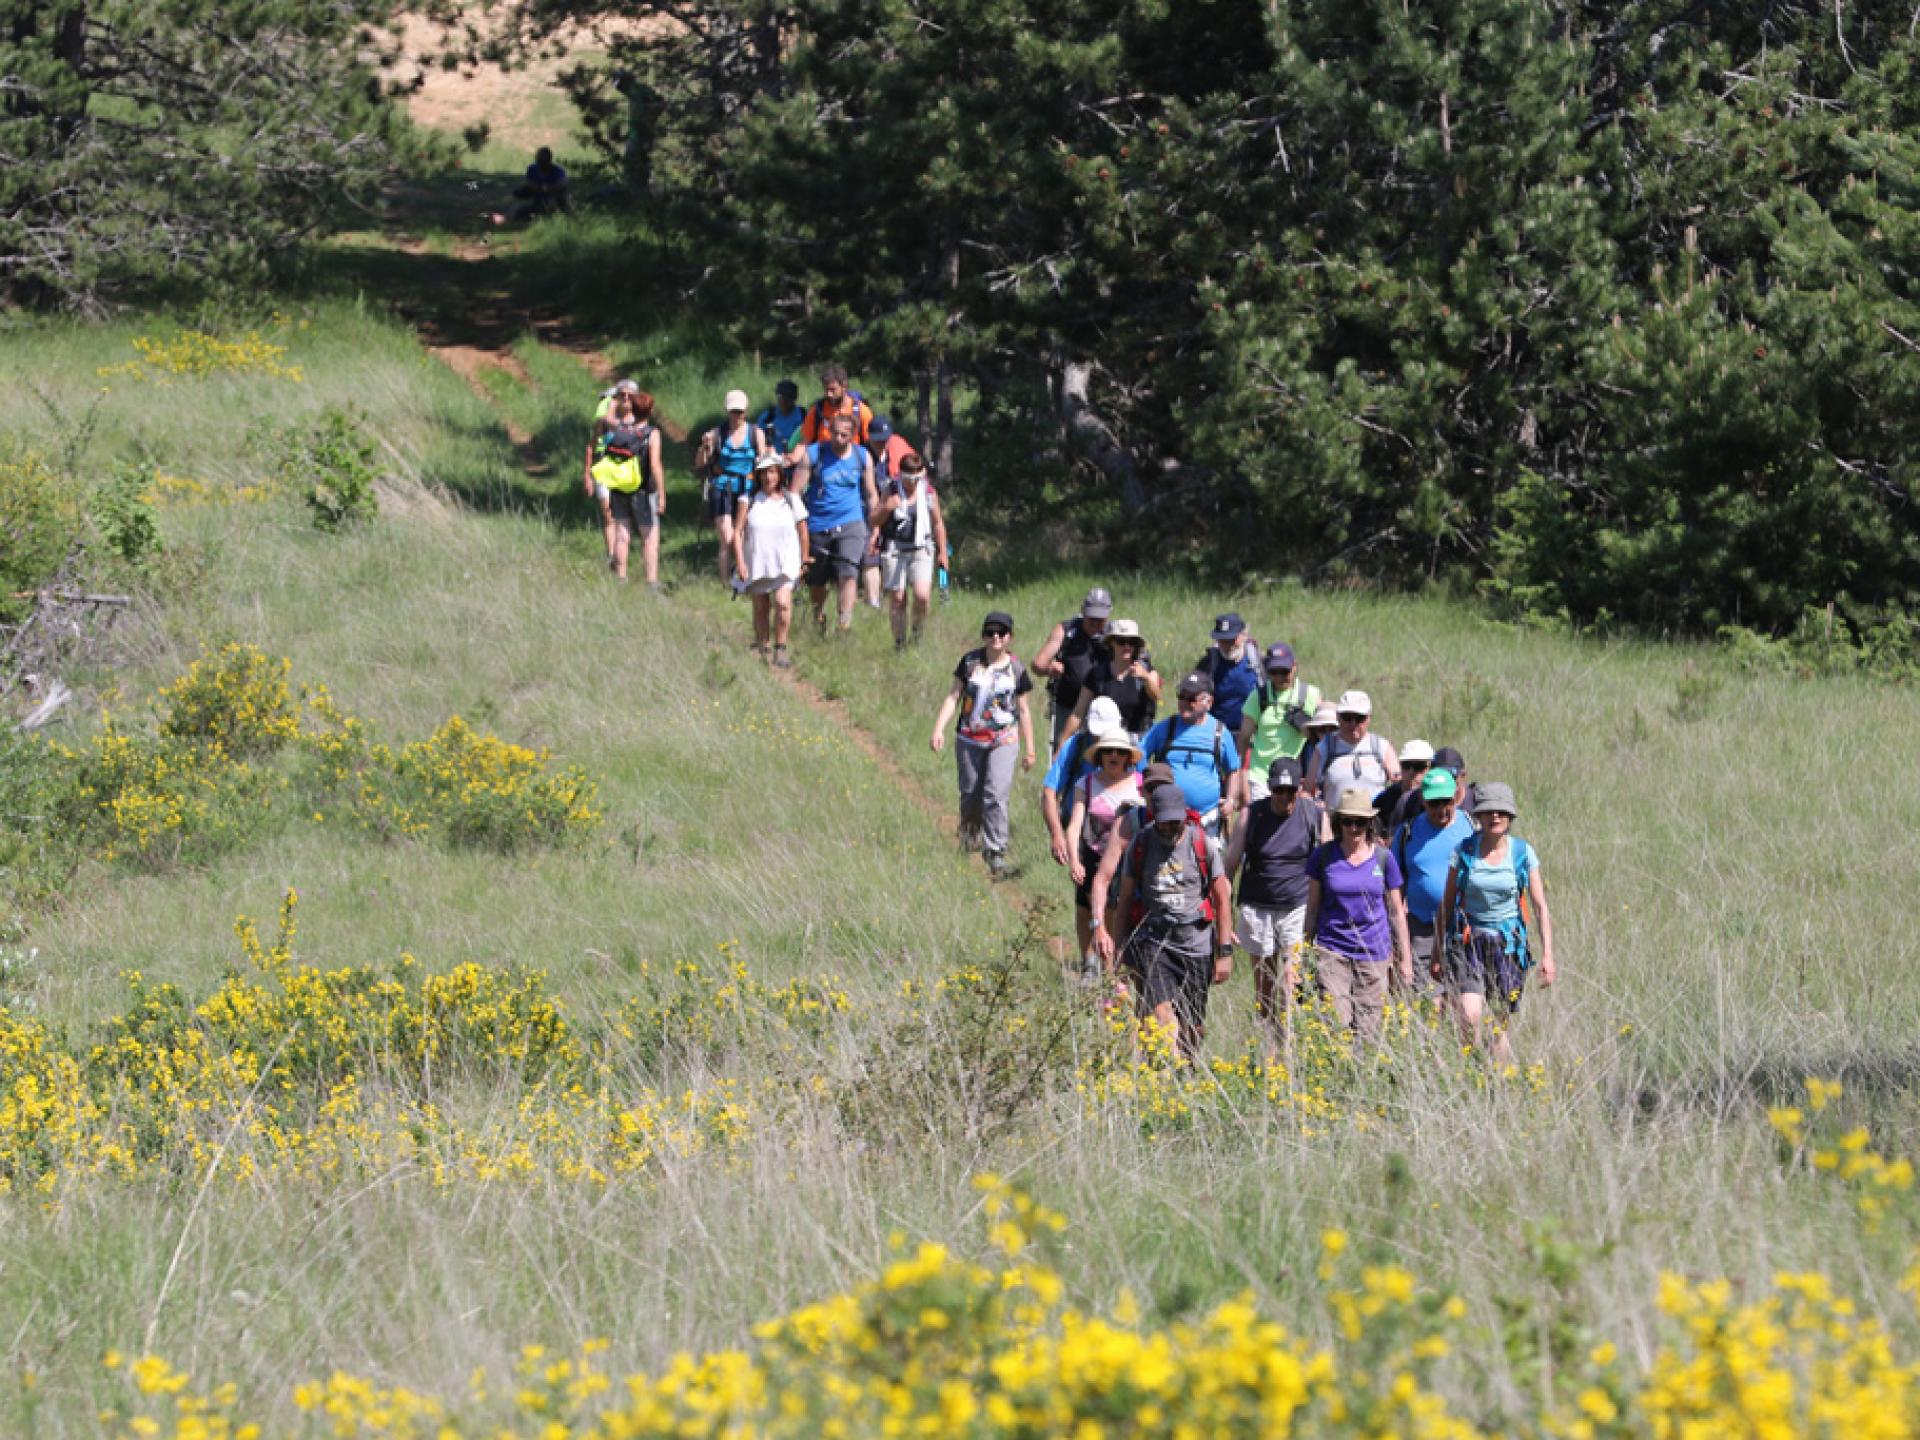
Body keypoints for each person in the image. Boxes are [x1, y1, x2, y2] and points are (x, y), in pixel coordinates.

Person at [1094, 784, 1236, 1059]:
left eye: (1176, 822)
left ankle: (1187, 1071)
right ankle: (1170, 1078)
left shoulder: (1201, 844)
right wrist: (1121, 945)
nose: (1170, 828)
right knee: (1163, 1015)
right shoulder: (1142, 844)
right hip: (1156, 943)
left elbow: (1222, 897)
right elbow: (1124, 899)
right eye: (1164, 823)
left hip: (1196, 944)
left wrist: (1225, 952)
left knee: (1192, 1024)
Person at [1433, 782, 1555, 1062]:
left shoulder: (1523, 854)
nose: (1495, 817)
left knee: (1499, 1027)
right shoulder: (1463, 851)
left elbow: (1539, 906)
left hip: (1508, 945)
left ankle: (1494, 1082)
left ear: (1510, 817)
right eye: (1488, 811)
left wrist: (1548, 956)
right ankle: (1472, 1065)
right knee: (1469, 1014)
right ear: (1478, 816)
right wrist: (1438, 951)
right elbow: (1447, 903)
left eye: (1501, 812)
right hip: (1468, 941)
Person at [1223, 756, 1327, 1048]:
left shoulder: (1313, 815)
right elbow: (1230, 866)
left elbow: (1327, 863)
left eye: (1289, 791)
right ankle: (1268, 1047)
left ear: (1299, 789)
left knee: (1289, 982)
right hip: (1258, 907)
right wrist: (1226, 916)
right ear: (1269, 789)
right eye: (1278, 791)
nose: (1283, 798)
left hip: (1297, 906)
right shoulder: (1251, 816)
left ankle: (1291, 1045)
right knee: (1264, 987)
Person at [929, 611, 1036, 878]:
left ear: (1010, 636)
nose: (996, 637)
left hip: (1004, 739)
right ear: (984, 635)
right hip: (969, 738)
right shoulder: (969, 662)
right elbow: (954, 696)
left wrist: (1030, 749)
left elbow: (1023, 711)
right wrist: (938, 728)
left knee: (996, 794)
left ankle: (995, 850)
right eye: (990, 632)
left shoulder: (1017, 669)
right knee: (971, 794)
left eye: (1001, 632)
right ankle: (969, 837)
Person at [1303, 788, 1413, 1043]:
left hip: (1374, 953)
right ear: (1338, 822)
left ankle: (1361, 1079)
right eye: (1348, 821)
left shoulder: (1384, 859)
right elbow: (1312, 908)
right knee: (1336, 1024)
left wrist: (1405, 959)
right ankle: (1337, 1076)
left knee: (1369, 1031)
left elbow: (1396, 912)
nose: (1354, 828)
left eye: (1360, 822)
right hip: (1332, 950)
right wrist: (1304, 952)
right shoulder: (1323, 857)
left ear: (1369, 823)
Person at [1063, 724, 1144, 967]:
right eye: (1108, 751)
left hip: (1128, 860)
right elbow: (1075, 825)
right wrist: (1074, 860)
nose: (1114, 756)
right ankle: (1091, 962)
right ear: (1100, 755)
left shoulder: (1140, 783)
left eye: (1120, 752)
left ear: (1129, 757)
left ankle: (1112, 972)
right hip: (1094, 856)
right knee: (1087, 910)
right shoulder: (1085, 784)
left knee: (1116, 915)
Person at [1389, 768, 1475, 992]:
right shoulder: (1407, 832)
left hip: (1462, 929)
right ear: (1423, 801)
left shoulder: (1471, 828)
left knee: (1464, 1003)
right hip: (1422, 930)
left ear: (1455, 796)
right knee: (1427, 1002)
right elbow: (1393, 884)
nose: (1441, 809)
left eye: (1446, 801)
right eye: (1434, 803)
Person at [792, 412, 877, 633]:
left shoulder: (862, 457)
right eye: (835, 434)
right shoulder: (813, 454)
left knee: (848, 573)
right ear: (828, 431)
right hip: (818, 524)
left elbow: (871, 494)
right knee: (817, 579)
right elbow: (795, 492)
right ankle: (818, 615)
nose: (838, 439)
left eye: (844, 435)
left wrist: (875, 525)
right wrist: (794, 527)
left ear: (853, 436)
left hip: (852, 522)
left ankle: (844, 623)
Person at [1138, 671, 1244, 843]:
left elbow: (1233, 770)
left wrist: (1231, 800)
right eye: (1181, 696)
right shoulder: (1165, 728)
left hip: (1207, 819)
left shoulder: (1220, 733)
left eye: (1191, 698)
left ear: (1209, 702)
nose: (1184, 703)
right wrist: (1146, 790)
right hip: (1167, 819)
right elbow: (1140, 754)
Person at [732, 451, 809, 667]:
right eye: (765, 473)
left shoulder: (791, 500)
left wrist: (804, 559)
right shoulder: (748, 500)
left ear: (780, 474)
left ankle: (781, 648)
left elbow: (803, 530)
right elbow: (737, 532)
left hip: (785, 561)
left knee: (783, 603)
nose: (769, 477)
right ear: (758, 475)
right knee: (760, 607)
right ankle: (763, 646)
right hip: (757, 561)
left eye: (773, 472)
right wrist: (740, 561)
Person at [868, 451, 948, 649]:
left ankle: (917, 630)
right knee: (898, 598)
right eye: (909, 478)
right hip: (895, 549)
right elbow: (874, 520)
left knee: (922, 595)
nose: (913, 482)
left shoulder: (928, 493)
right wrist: (887, 508)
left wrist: (943, 552)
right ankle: (899, 642)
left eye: (918, 477)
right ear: (900, 475)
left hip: (921, 548)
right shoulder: (891, 489)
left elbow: (938, 523)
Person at [588, 391, 665, 586]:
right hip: (643, 492)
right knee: (649, 538)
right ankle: (651, 583)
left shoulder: (619, 431)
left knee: (622, 535)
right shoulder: (651, 434)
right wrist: (662, 494)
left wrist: (611, 402)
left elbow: (604, 419)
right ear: (650, 411)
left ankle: (620, 579)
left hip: (619, 489)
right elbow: (655, 465)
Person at [1041, 696, 1124, 874]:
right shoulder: (1075, 745)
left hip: (1118, 834)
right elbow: (1049, 792)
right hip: (1079, 832)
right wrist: (1056, 834)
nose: (1100, 738)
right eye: (1097, 733)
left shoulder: (1129, 749)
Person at [698, 389, 767, 586]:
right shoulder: (716, 434)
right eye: (733, 411)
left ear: (745, 411)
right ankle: (726, 582)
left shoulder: (756, 433)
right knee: (727, 537)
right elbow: (701, 463)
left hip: (747, 487)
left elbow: (761, 460)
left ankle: (743, 577)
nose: (736, 416)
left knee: (745, 534)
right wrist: (704, 447)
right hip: (722, 487)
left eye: (740, 411)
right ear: (727, 411)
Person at [1031, 588, 1113, 755]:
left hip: (1103, 710)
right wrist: (1049, 668)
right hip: (1068, 707)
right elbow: (1037, 664)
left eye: (1101, 619)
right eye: (1092, 618)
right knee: (1065, 757)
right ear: (1083, 611)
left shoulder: (1115, 635)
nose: (1096, 623)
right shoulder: (1066, 631)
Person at [1238, 642, 1321, 803]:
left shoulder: (1310, 695)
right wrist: (1241, 781)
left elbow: (1327, 734)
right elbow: (1243, 740)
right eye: (1274, 672)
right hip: (1260, 776)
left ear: (1295, 666)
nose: (1279, 677)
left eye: (1284, 671)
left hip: (1295, 778)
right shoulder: (1258, 697)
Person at [1056, 618, 1160, 741]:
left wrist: (1145, 678)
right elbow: (1078, 713)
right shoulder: (1097, 674)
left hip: (1138, 742)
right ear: (1112, 643)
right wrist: (1061, 748)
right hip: (1106, 743)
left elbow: (1156, 695)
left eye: (1131, 642)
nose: (1127, 646)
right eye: (1121, 641)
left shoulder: (1147, 671)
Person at [1304, 690, 1401, 808]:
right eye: (1347, 717)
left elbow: (1399, 782)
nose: (1353, 723)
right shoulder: (1324, 748)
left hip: (1374, 823)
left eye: (1359, 718)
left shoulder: (1381, 746)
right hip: (1335, 823)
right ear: (1338, 717)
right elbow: (1307, 792)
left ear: (1369, 718)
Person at [584, 378, 641, 567]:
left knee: (623, 516)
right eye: (620, 395)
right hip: (604, 468)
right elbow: (591, 446)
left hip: (627, 472)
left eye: (628, 396)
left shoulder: (640, 422)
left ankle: (620, 554)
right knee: (609, 515)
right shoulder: (604, 421)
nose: (624, 399)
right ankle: (613, 557)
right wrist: (587, 475)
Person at [1193, 613, 1261, 737]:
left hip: (1251, 736)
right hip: (1215, 736)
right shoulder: (1207, 664)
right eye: (1222, 640)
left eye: (1231, 640)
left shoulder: (1258, 663)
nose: (1227, 645)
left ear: (1243, 636)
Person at [798, 364, 872, 448]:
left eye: (833, 390)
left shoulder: (861, 411)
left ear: (844, 387)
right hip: (822, 458)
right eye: (826, 390)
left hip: (852, 459)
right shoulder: (817, 411)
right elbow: (803, 444)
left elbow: (871, 445)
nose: (828, 394)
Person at [1373, 738, 1434, 839]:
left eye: (1419, 766)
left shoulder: (1437, 801)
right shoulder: (1384, 799)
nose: (1411, 772)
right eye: (1406, 765)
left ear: (1431, 768)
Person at [513, 146, 571, 220]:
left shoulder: (558, 171)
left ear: (549, 160)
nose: (541, 163)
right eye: (539, 160)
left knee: (553, 204)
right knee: (519, 212)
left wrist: (546, 188)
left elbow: (562, 184)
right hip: (538, 200)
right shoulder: (532, 169)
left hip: (554, 200)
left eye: (543, 160)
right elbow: (527, 183)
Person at [1431, 746, 1480, 821]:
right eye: (1440, 777)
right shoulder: (1418, 800)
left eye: (1451, 777)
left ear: (1463, 775)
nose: (1446, 782)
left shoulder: (1478, 801)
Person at [757, 379, 806, 453]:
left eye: (788, 397)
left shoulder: (803, 415)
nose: (783, 400)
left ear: (795, 398)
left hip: (796, 456)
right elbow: (758, 435)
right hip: (773, 456)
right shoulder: (769, 415)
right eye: (780, 396)